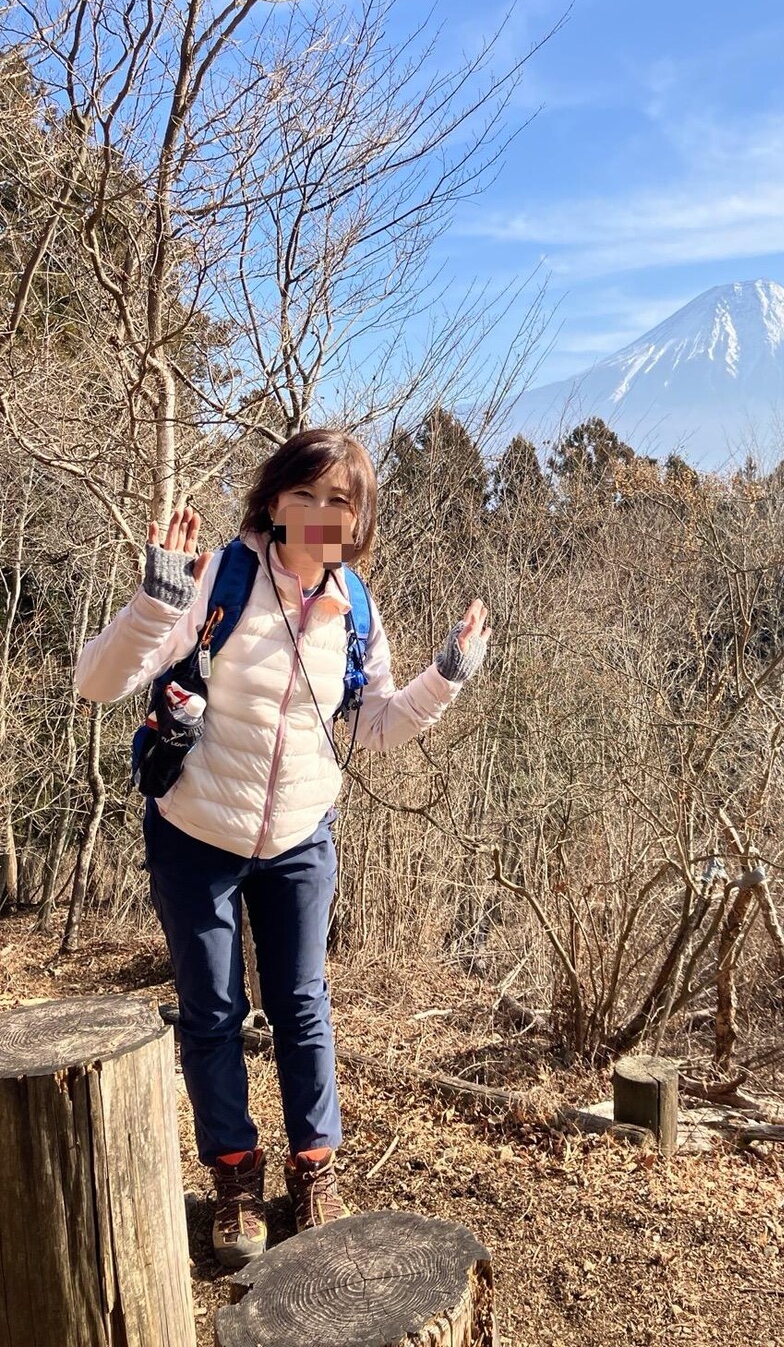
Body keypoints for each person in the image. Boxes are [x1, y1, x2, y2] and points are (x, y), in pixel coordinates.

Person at [76, 428, 490, 1268]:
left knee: (303, 1006)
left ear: (359, 520)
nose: (321, 515)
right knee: (212, 1011)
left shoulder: (355, 608)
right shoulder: (216, 580)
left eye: (341, 501)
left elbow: (373, 726)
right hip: (197, 831)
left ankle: (314, 1168)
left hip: (302, 836)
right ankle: (234, 1174)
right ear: (273, 501)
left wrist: (443, 676)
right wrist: (154, 605)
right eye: (305, 495)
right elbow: (97, 681)